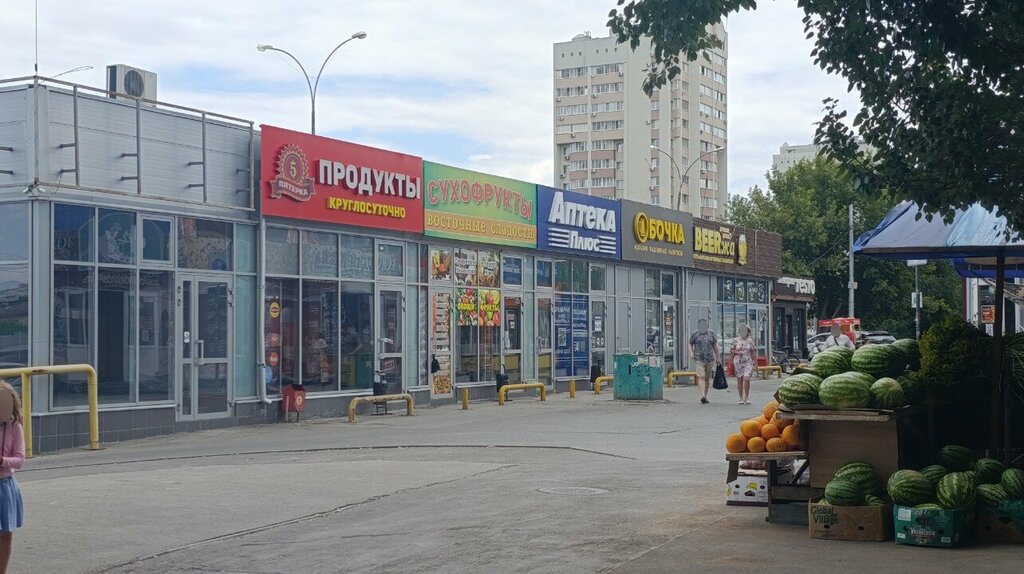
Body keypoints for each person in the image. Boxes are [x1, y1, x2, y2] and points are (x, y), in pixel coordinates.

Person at [0, 381, 25, 574]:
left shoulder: (15, 428)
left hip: (5, 486)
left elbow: (20, 460)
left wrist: (2, 461)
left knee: (6, 535)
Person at [688, 319, 722, 404]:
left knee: (707, 377)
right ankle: (702, 395)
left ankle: (705, 396)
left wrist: (718, 357)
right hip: (699, 358)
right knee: (701, 376)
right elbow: (690, 343)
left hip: (709, 359)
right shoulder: (695, 334)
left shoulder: (711, 333)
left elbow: (715, 345)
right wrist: (691, 352)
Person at [730, 324, 757, 405]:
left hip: (748, 361)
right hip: (738, 362)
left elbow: (753, 351)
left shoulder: (750, 341)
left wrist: (755, 362)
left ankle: (747, 396)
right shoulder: (735, 340)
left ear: (748, 332)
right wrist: (736, 352)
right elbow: (731, 350)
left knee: (746, 378)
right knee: (739, 380)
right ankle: (741, 398)